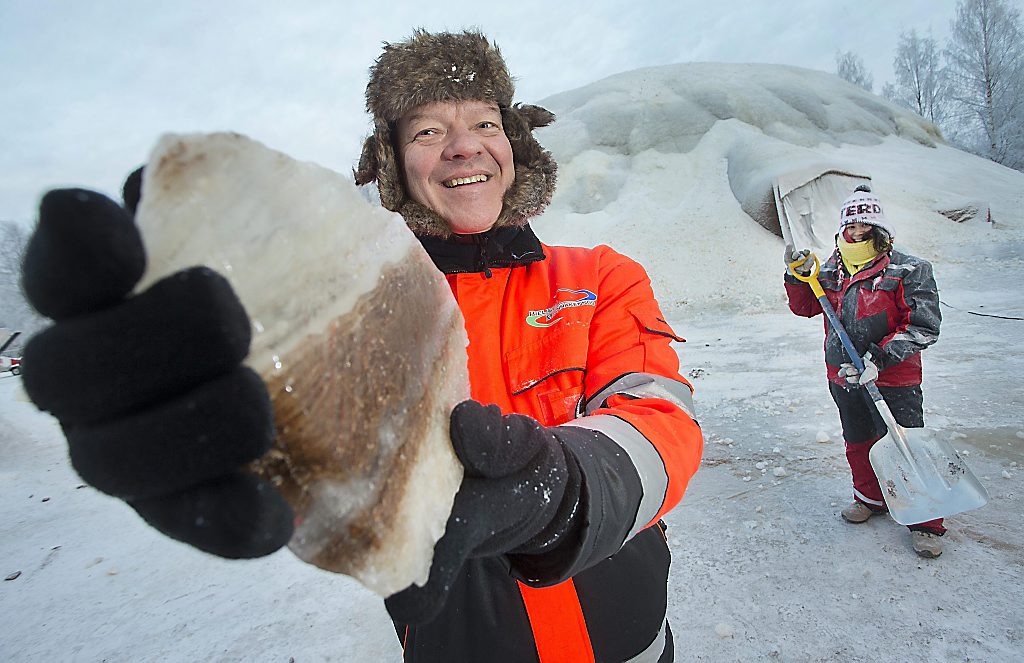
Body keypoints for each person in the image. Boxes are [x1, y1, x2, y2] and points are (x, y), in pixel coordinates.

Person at [19, 30, 703, 662]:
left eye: (485, 123)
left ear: (514, 146)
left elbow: (663, 424)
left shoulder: (598, 275)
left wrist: (554, 488)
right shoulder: (348, 303)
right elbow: (304, 446)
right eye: (431, 130)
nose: (464, 146)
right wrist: (191, 419)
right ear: (393, 162)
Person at [783, 184, 943, 559]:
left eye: (865, 226)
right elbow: (806, 306)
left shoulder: (909, 269)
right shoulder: (832, 270)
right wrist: (796, 275)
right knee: (858, 440)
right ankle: (870, 498)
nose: (856, 233)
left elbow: (923, 325)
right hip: (843, 375)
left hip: (893, 377)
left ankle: (926, 521)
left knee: (906, 446)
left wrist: (880, 358)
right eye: (850, 227)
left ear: (879, 228)